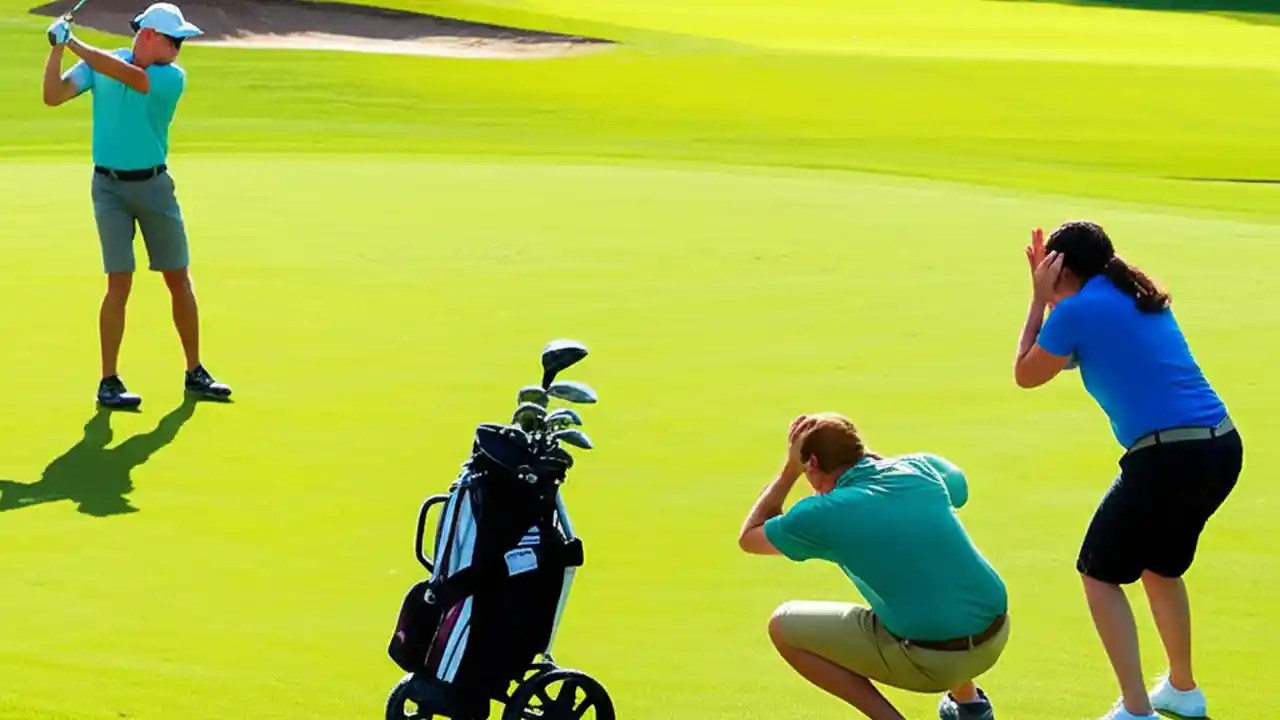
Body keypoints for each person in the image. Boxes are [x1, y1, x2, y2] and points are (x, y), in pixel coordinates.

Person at [1014, 221, 1242, 720]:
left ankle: (1136, 710)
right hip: (1220, 448)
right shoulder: (1128, 293)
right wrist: (1054, 298)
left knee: (1097, 573)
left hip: (1168, 458)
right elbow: (1073, 343)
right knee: (1158, 567)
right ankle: (1182, 689)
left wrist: (1036, 299)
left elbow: (1026, 374)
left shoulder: (1074, 311)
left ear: (1060, 269)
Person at [738, 413, 1010, 720]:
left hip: (932, 661)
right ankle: (971, 706)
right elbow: (959, 489)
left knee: (782, 627)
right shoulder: (918, 468)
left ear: (811, 464)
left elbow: (750, 538)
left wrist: (789, 471)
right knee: (930, 572)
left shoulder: (822, 514)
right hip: (996, 633)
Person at [43, 3, 231, 408]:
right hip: (108, 189)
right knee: (119, 282)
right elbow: (53, 96)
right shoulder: (102, 64)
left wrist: (72, 40)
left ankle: (194, 371)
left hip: (154, 187)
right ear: (149, 36)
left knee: (177, 278)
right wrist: (56, 49)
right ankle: (108, 380)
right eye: (175, 40)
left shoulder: (170, 77)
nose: (180, 47)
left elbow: (129, 76)